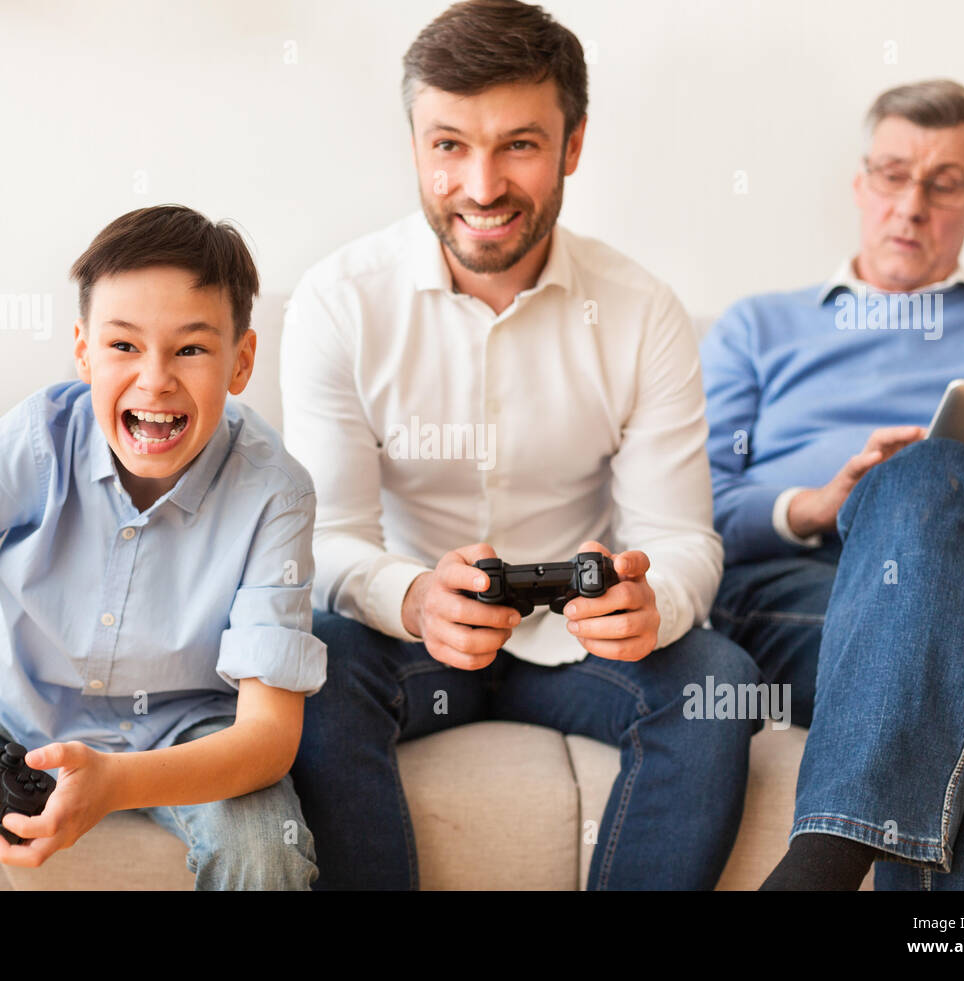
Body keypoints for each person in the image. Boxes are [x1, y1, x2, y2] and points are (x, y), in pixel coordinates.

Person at [282, 0, 760, 890]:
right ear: (416, 148)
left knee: (714, 681)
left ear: (573, 146)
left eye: (520, 145)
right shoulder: (338, 302)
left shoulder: (640, 308)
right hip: (403, 633)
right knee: (309, 662)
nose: (481, 184)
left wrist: (655, 604)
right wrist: (417, 596)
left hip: (579, 642)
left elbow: (685, 538)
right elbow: (325, 538)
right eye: (450, 145)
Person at [0, 205, 326, 890]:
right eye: (124, 346)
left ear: (241, 361)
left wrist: (114, 783)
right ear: (83, 351)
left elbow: (268, 739)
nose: (155, 378)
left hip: (190, 734)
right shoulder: (37, 438)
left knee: (267, 854)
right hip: (9, 715)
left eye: (191, 348)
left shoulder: (275, 491)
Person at [702, 79, 964, 890]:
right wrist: (818, 504)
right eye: (891, 174)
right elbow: (697, 506)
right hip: (801, 590)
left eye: (944, 184)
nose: (910, 205)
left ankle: (820, 863)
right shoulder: (757, 327)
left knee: (933, 472)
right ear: (859, 184)